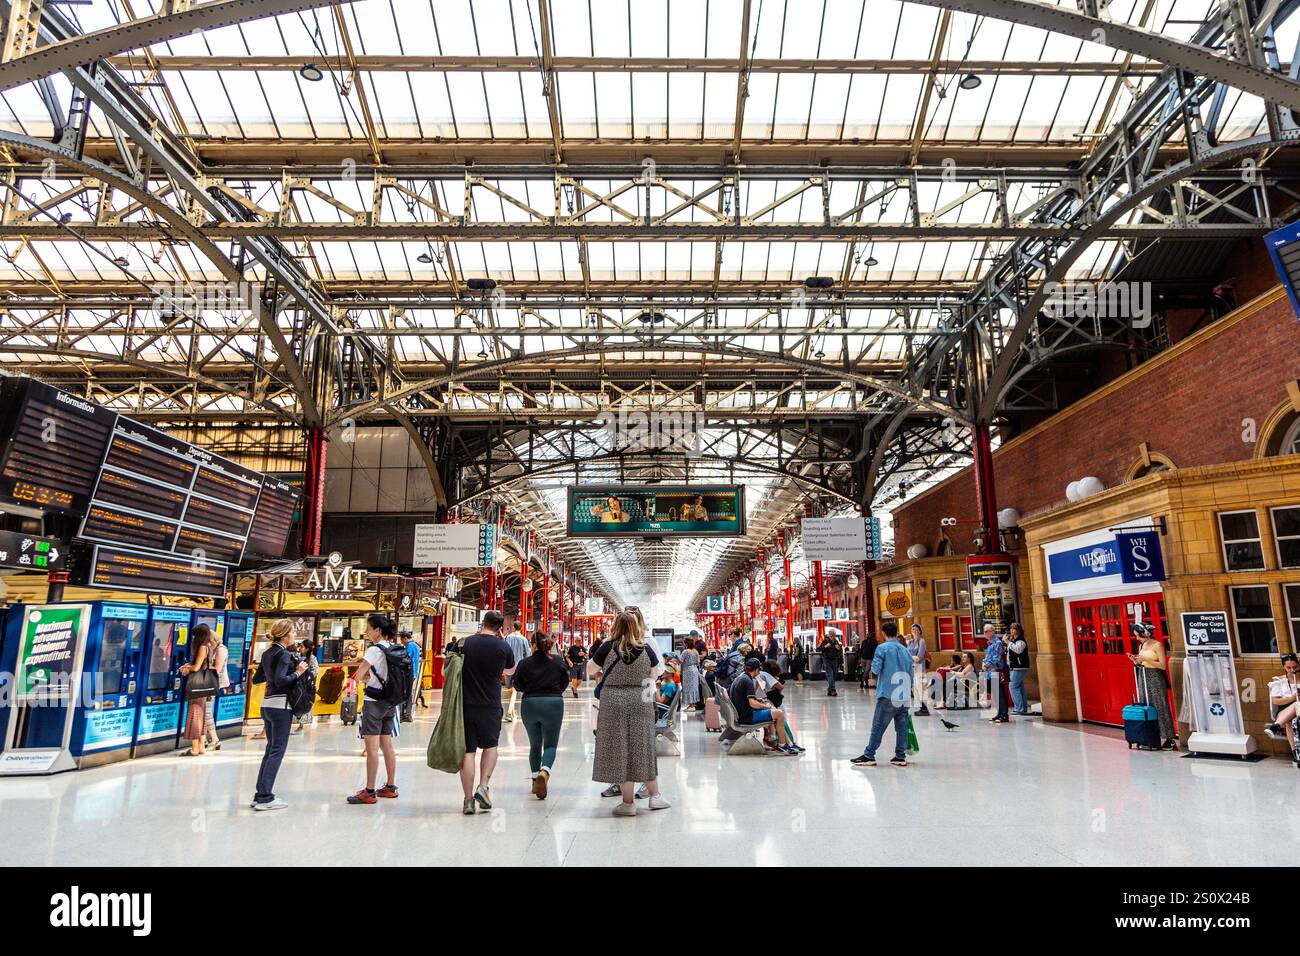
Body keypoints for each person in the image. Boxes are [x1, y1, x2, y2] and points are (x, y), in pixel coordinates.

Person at [592, 608, 671, 815]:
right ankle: (655, 797)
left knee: (620, 750)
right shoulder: (646, 649)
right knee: (642, 747)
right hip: (640, 701)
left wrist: (605, 675)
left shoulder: (607, 647)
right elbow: (654, 675)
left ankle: (627, 804)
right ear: (637, 627)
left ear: (616, 626)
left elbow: (590, 668)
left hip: (612, 702)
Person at [458, 609, 517, 815]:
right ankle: (483, 786)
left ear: (482, 623)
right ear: (500, 628)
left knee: (468, 751)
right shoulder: (503, 646)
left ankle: (467, 800)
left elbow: (447, 670)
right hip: (491, 706)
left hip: (465, 706)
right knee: (491, 746)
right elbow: (510, 671)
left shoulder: (465, 643)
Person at [250, 619, 308, 810]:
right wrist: (298, 672)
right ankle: (265, 797)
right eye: (292, 632)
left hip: (266, 705)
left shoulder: (267, 653)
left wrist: (270, 670)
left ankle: (260, 793)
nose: (294, 635)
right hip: (281, 706)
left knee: (270, 750)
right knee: (277, 751)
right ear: (284, 635)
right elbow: (281, 681)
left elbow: (257, 678)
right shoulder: (283, 654)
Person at [345, 613, 403, 804]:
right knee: (387, 745)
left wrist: (365, 678)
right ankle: (390, 786)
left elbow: (358, 675)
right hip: (389, 702)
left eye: (369, 629)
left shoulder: (374, 650)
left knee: (371, 748)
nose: (367, 632)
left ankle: (369, 790)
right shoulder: (394, 648)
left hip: (373, 701)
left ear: (377, 630)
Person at [512, 631, 570, 799]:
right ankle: (544, 773)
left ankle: (534, 780)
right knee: (550, 745)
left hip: (530, 704)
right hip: (553, 704)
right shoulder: (558, 661)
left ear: (533, 645)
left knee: (534, 745)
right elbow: (564, 682)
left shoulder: (524, 663)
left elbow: (517, 685)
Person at [851, 620, 911, 767]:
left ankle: (869, 754)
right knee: (902, 725)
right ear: (896, 633)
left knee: (878, 725)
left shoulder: (882, 648)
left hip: (888, 693)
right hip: (903, 693)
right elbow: (911, 672)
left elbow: (875, 670)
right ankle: (900, 756)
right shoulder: (905, 650)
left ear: (884, 633)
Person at [730, 656, 799, 754]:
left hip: (741, 713)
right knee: (779, 714)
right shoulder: (748, 681)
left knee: (775, 712)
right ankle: (782, 745)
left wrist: (757, 699)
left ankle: (782, 742)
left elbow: (745, 698)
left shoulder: (740, 678)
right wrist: (765, 706)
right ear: (757, 669)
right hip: (747, 717)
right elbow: (752, 704)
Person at [1127, 622, 1177, 750]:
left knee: (1160, 706)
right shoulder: (1142, 645)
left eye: (1138, 635)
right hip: (1143, 676)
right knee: (1146, 705)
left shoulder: (1157, 645)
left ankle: (1169, 738)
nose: (1137, 638)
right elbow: (1141, 661)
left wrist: (1146, 659)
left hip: (1155, 677)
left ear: (1145, 634)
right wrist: (1135, 660)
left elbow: (1162, 665)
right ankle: (1150, 736)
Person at [178, 624, 214, 757]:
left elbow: (197, 667)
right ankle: (201, 747)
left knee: (194, 715)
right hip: (204, 686)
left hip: (197, 686)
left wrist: (187, 667)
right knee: (201, 716)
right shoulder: (209, 647)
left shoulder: (202, 647)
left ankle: (194, 749)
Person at [758, 659, 805, 752]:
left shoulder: (758, 677)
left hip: (766, 702)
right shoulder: (767, 676)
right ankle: (788, 743)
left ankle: (788, 742)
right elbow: (780, 686)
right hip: (772, 702)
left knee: (779, 721)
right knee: (782, 720)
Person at [1264, 653, 1299, 758]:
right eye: (1288, 667)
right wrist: (1291, 698)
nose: (1292, 670)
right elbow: (1275, 701)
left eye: (1295, 667)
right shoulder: (1280, 681)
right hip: (1286, 710)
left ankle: (1276, 726)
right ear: (1284, 667)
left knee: (1297, 705)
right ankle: (1296, 752)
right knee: (1290, 718)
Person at [203, 632, 230, 751]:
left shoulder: (221, 649)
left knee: (207, 711)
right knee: (204, 711)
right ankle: (203, 739)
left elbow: (217, 669)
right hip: (209, 682)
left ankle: (215, 739)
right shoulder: (214, 649)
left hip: (212, 683)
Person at [503, 617, 532, 723]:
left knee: (510, 688)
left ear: (513, 627)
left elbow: (505, 651)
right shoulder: (524, 639)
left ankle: (511, 711)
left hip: (508, 667)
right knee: (514, 690)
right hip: (519, 668)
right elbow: (527, 655)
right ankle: (510, 712)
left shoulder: (508, 638)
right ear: (521, 628)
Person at [981, 624, 1010, 723]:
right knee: (995, 694)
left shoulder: (997, 643)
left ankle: (1004, 715)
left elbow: (996, 658)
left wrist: (986, 664)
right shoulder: (989, 644)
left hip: (996, 671)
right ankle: (999, 713)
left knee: (1000, 694)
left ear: (992, 632)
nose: (984, 633)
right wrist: (983, 663)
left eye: (986, 631)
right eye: (984, 631)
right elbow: (987, 657)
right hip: (990, 672)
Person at [291, 639, 317, 734]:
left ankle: (301, 726)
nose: (300, 648)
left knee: (305, 704)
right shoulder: (297, 657)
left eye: (302, 646)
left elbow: (315, 672)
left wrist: (305, 673)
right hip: (299, 685)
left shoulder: (312, 659)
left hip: (308, 686)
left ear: (307, 649)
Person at [1006, 622, 1031, 715]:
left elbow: (1018, 650)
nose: (1011, 630)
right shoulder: (1014, 640)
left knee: (1013, 686)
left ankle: (1019, 708)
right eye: (1011, 628)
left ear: (1018, 630)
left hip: (1019, 667)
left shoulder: (1021, 640)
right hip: (1015, 667)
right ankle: (1023, 708)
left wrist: (1009, 643)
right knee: (1020, 687)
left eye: (1014, 629)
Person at [907, 623, 930, 715]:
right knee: (915, 689)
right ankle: (922, 708)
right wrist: (912, 657)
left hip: (920, 668)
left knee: (920, 688)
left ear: (920, 631)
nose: (914, 630)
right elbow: (908, 656)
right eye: (913, 629)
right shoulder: (910, 642)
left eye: (916, 629)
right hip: (912, 668)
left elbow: (919, 657)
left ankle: (925, 709)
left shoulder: (922, 641)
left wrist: (911, 656)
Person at [399, 629, 421, 722]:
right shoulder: (415, 645)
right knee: (409, 692)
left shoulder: (409, 646)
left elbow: (406, 658)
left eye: (401, 640)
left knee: (406, 693)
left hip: (408, 673)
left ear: (405, 638)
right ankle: (407, 714)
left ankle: (406, 715)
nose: (401, 642)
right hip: (413, 672)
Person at [679, 638, 702, 711]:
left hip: (688, 670)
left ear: (686, 644)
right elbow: (698, 662)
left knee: (688, 687)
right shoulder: (696, 651)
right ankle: (693, 704)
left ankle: (691, 706)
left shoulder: (685, 652)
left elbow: (680, 661)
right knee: (694, 687)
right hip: (695, 670)